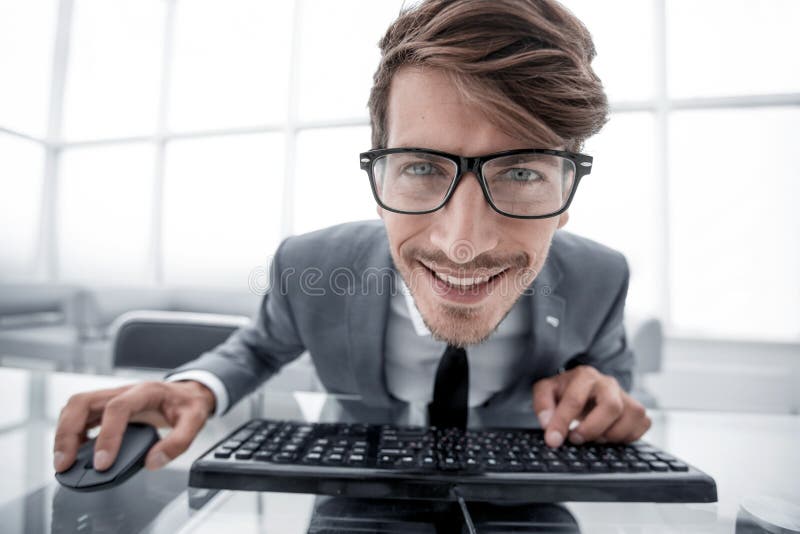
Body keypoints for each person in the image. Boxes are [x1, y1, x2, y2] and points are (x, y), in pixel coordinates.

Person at [53, 0, 650, 475]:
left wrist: (607, 396)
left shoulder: (601, 277)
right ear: (379, 182)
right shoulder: (306, 264)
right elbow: (256, 350)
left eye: (521, 173)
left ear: (568, 190)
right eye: (422, 167)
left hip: (521, 494)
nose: (461, 243)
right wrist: (196, 389)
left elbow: (612, 376)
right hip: (354, 488)